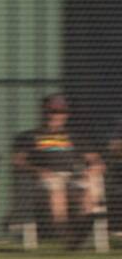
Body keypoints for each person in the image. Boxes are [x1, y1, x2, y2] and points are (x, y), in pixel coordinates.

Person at [14, 93, 89, 243]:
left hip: (73, 177)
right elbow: (18, 162)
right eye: (52, 112)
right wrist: (38, 170)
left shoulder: (73, 137)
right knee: (57, 185)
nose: (56, 116)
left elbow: (93, 158)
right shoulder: (29, 136)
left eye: (60, 112)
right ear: (43, 113)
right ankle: (65, 232)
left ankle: (83, 226)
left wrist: (92, 169)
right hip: (44, 179)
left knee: (89, 184)